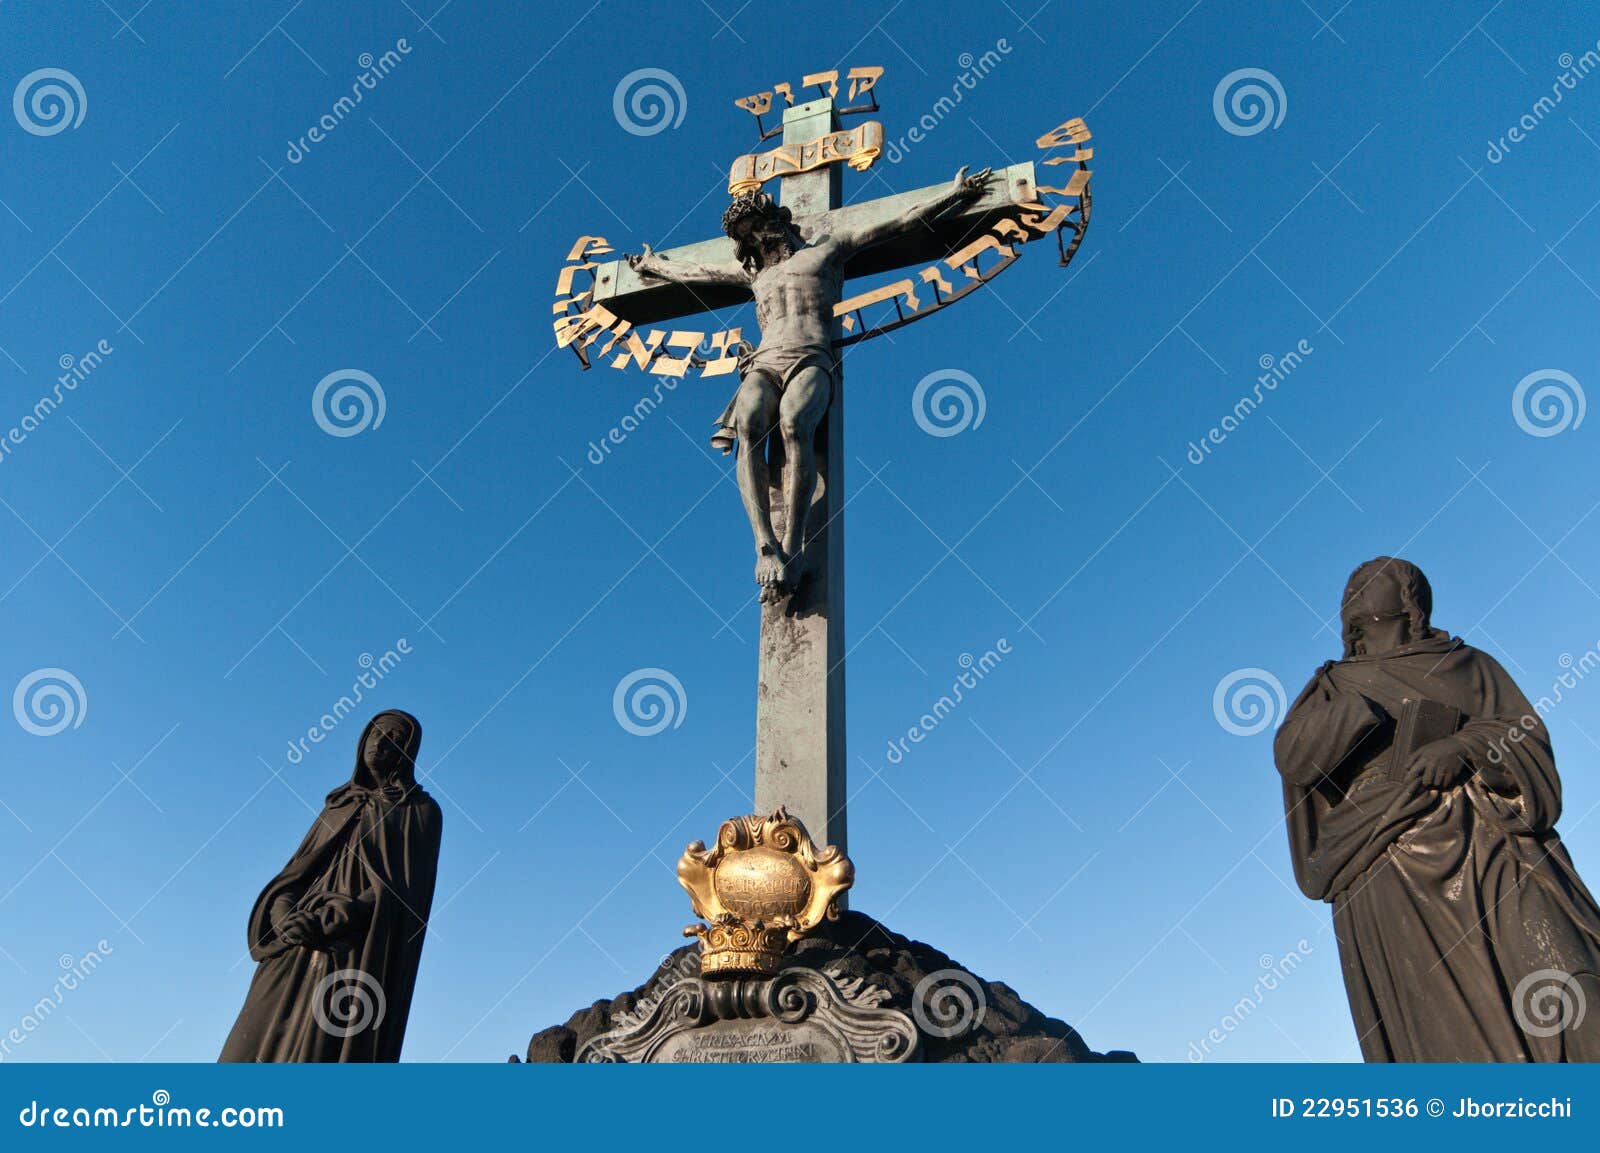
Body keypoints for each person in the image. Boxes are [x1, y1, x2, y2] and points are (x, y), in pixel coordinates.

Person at [1274, 557, 1600, 1060]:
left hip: (1490, 840)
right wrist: (1354, 716)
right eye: (1353, 583)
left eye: (1371, 581)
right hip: (1384, 857)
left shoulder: (1469, 665)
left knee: (1573, 987)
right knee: (1443, 1035)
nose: (1356, 585)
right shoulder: (1335, 684)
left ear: (1409, 599)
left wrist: (1465, 749)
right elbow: (1294, 760)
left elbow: (1527, 739)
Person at [628, 167, 991, 601]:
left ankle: (794, 544)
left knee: (795, 423)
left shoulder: (826, 251)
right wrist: (654, 266)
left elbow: (897, 223)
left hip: (810, 355)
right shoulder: (755, 275)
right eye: (747, 237)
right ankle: (764, 543)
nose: (757, 241)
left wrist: (952, 193)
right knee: (747, 428)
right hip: (765, 360)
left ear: (778, 222)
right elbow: (697, 274)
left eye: (758, 228)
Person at [220, 710, 441, 1062]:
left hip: (350, 950)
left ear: (407, 754)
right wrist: (283, 917)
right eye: (376, 734)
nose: (381, 743)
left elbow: (405, 898)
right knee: (242, 1052)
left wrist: (339, 915)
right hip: (294, 942)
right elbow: (293, 876)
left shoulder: (420, 813)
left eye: (395, 739)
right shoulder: (338, 806)